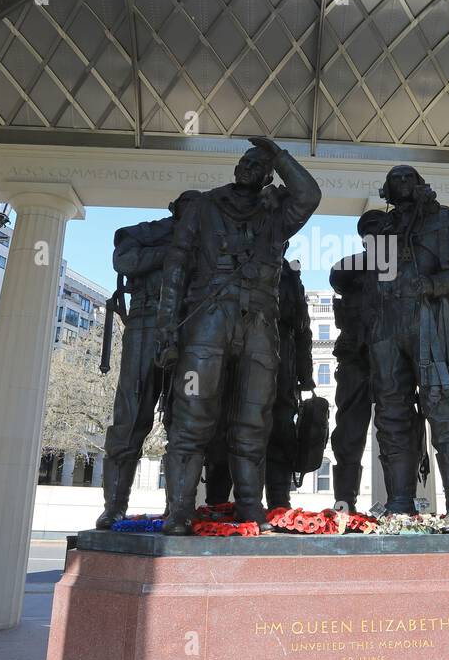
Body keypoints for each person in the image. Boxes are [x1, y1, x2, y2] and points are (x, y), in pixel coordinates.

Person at [155, 137, 322, 533]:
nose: (249, 168)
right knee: (191, 417)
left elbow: (310, 194)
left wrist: (280, 154)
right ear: (235, 169)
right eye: (244, 162)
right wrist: (166, 331)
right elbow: (175, 268)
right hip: (207, 321)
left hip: (260, 326)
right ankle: (179, 511)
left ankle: (250, 507)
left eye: (258, 165)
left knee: (254, 419)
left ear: (268, 176)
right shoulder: (203, 207)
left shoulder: (276, 216)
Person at [361, 165, 449, 531]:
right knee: (391, 411)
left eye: (406, 177)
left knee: (445, 408)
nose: (399, 183)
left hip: (431, 320)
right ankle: (399, 501)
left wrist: (432, 284)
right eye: (393, 179)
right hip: (387, 326)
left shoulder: (448, 221)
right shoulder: (383, 230)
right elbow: (377, 278)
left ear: (420, 185)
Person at [96, 190, 201, 529]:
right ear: (175, 210)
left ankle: (178, 510)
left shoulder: (210, 242)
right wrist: (175, 252)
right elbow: (125, 262)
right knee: (129, 417)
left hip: (190, 334)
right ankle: (114, 506)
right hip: (145, 327)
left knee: (185, 421)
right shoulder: (148, 231)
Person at [204, 255, 315, 510]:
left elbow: (302, 329)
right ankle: (217, 504)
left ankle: (279, 503)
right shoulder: (234, 261)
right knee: (224, 426)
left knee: (280, 427)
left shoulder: (290, 276)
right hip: (237, 352)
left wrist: (305, 374)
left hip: (282, 357)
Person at [328, 210, 385, 512]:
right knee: (349, 427)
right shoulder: (349, 268)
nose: (375, 236)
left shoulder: (400, 266)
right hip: (354, 356)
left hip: (390, 355)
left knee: (398, 425)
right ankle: (345, 500)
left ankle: (403, 499)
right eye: (370, 231)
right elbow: (339, 278)